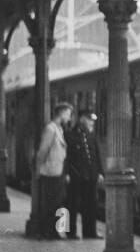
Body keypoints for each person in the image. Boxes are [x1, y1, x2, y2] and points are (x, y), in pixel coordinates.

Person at [35, 102, 72, 240]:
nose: (69, 117)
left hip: (58, 171)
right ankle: (48, 232)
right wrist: (39, 168)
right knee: (51, 203)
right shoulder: (51, 129)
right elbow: (43, 151)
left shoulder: (59, 129)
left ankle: (55, 231)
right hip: (50, 172)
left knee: (58, 202)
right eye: (68, 114)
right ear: (61, 113)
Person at [65, 110, 103, 239]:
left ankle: (90, 232)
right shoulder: (70, 135)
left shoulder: (91, 136)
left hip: (90, 175)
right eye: (89, 119)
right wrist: (67, 173)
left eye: (92, 120)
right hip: (76, 175)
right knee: (72, 204)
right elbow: (67, 157)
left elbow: (96, 156)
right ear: (81, 119)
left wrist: (100, 173)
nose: (92, 122)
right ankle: (70, 233)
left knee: (91, 204)